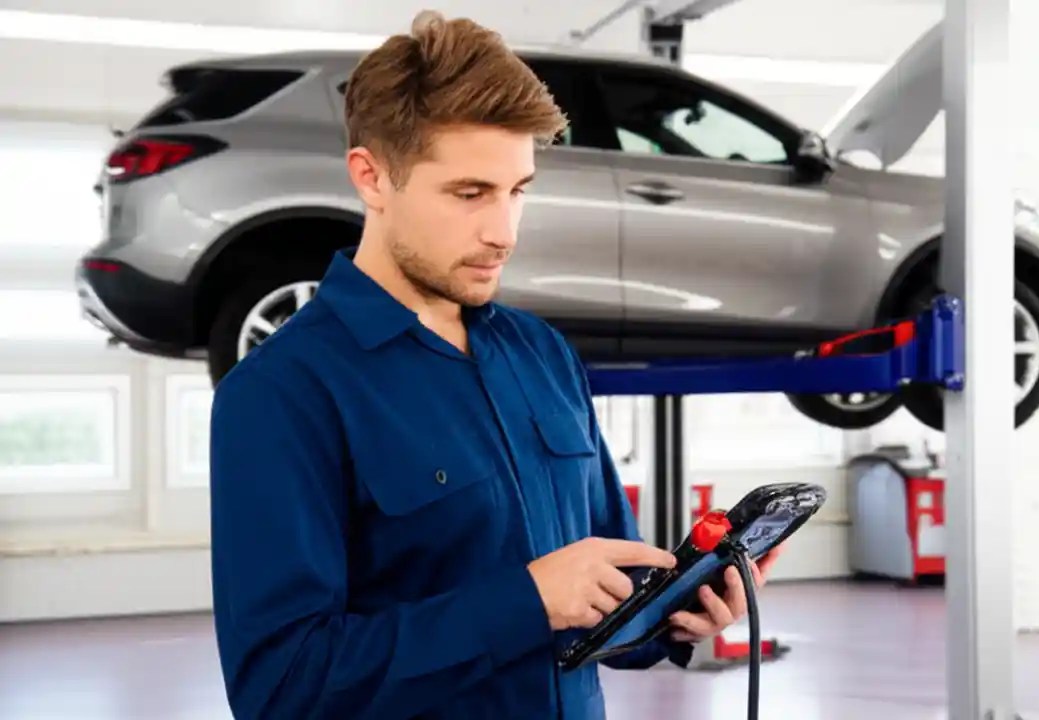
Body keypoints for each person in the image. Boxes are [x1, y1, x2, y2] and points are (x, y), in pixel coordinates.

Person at [208, 10, 783, 720]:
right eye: (470, 193)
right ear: (372, 178)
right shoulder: (281, 395)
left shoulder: (543, 355)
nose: (503, 231)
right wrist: (525, 602)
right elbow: (281, 688)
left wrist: (675, 610)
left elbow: (602, 599)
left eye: (519, 190)